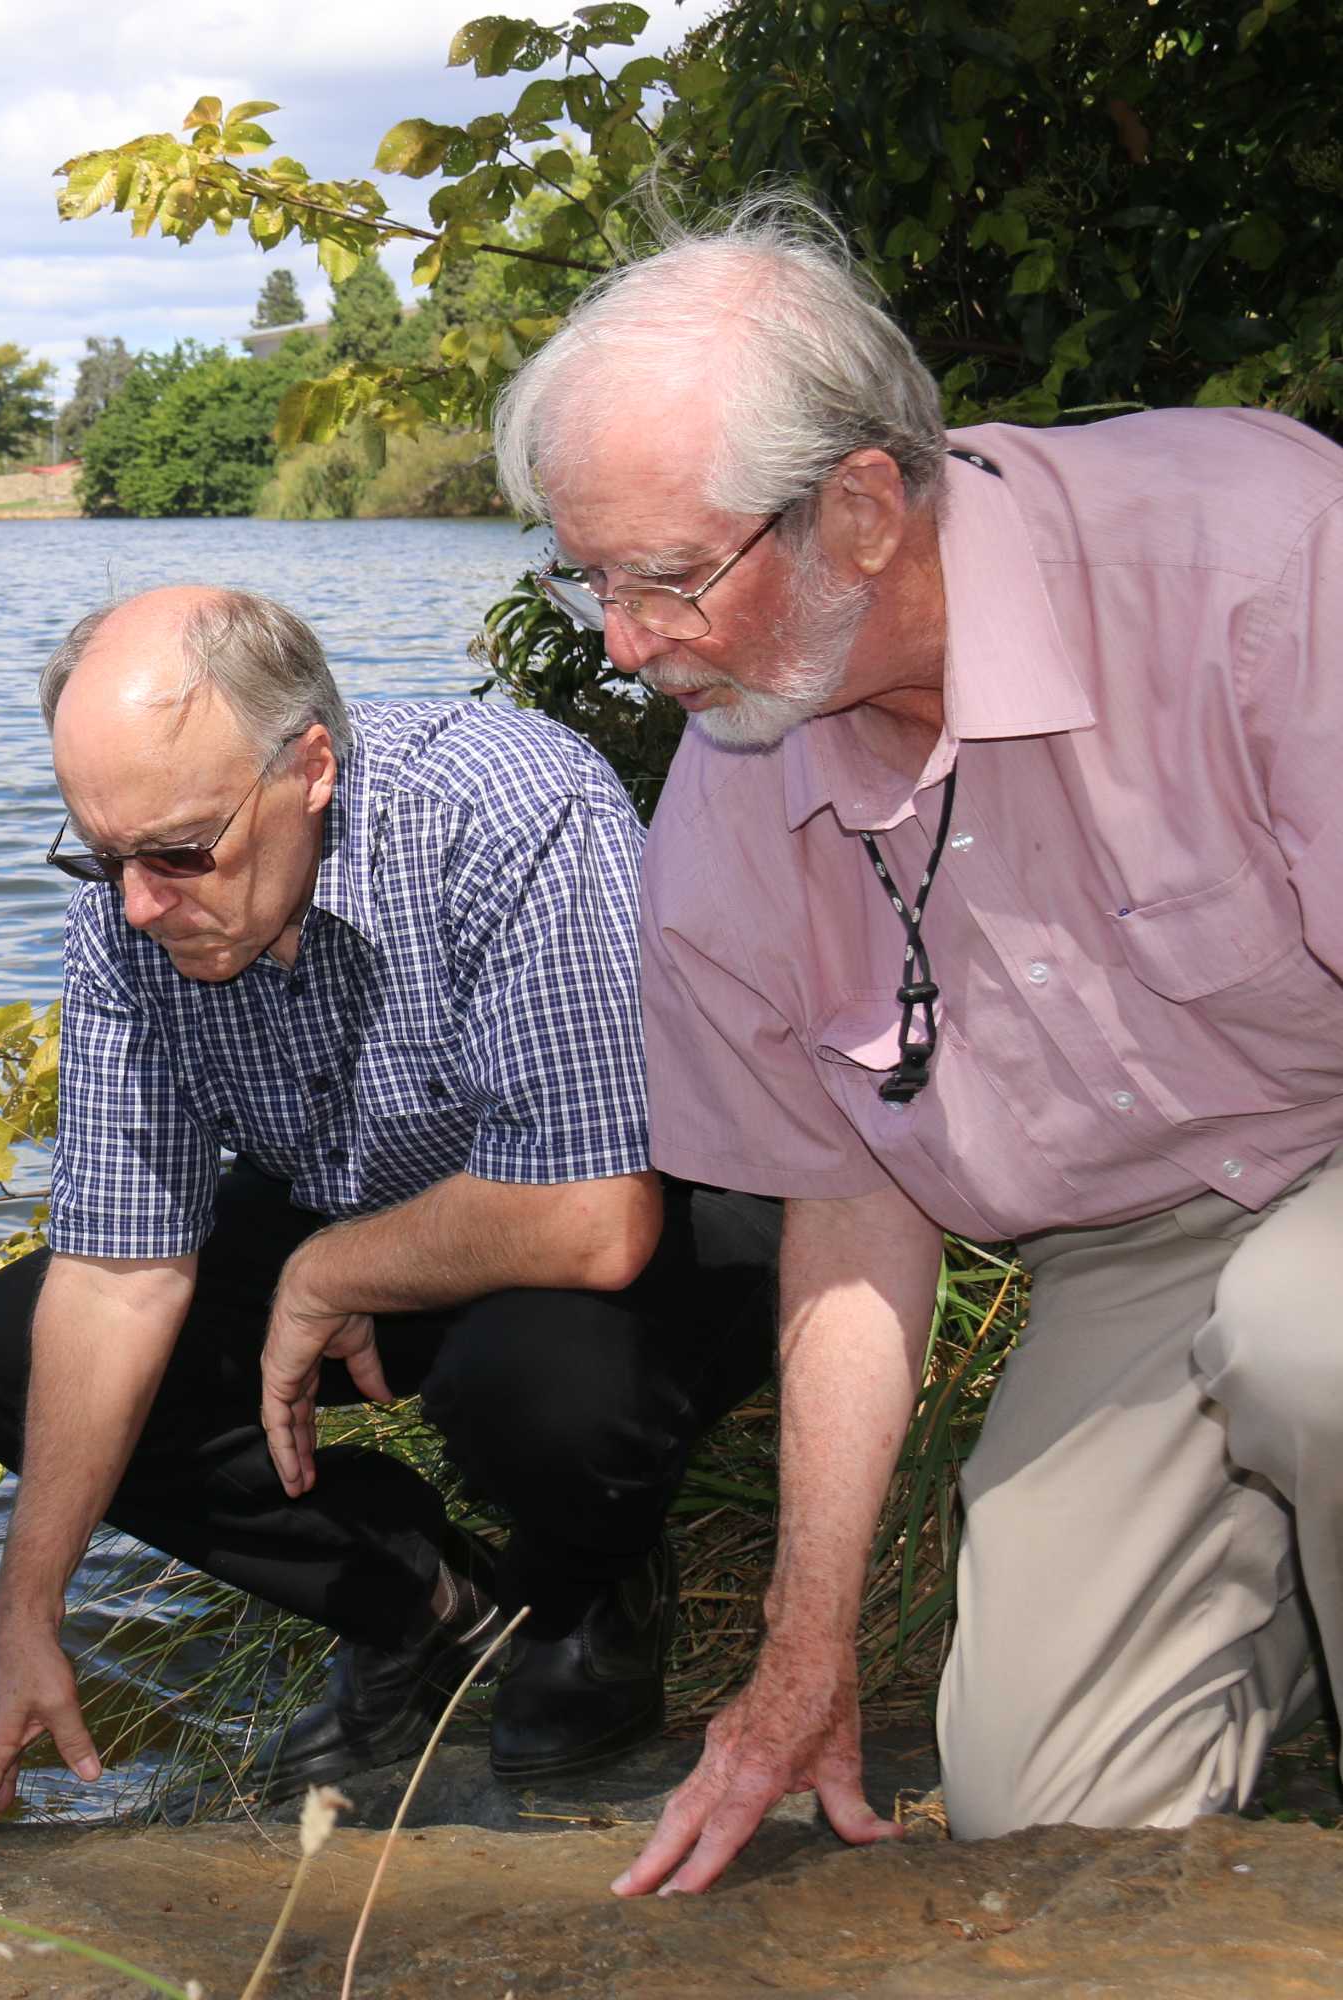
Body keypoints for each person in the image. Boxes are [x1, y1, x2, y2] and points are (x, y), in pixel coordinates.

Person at [484, 192, 1343, 1898]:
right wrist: (804, 1661)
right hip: (1142, 1243)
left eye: (665, 579)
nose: (622, 647)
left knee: (1307, 1332)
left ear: (864, 510)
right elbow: (852, 1216)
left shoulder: (1268, 562)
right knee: (1045, 1816)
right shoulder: (728, 809)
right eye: (588, 580)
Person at [0, 584, 783, 1838]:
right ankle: (424, 1608)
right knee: (4, 1348)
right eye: (102, 857)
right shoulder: (131, 902)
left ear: (309, 767)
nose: (140, 903)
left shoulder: (505, 804)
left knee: (530, 1385)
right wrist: (27, 1613)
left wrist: (330, 1274)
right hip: (376, 1192)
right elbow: (116, 1274)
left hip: (645, 1194)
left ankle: (593, 1585)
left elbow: (598, 1214)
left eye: (179, 851)